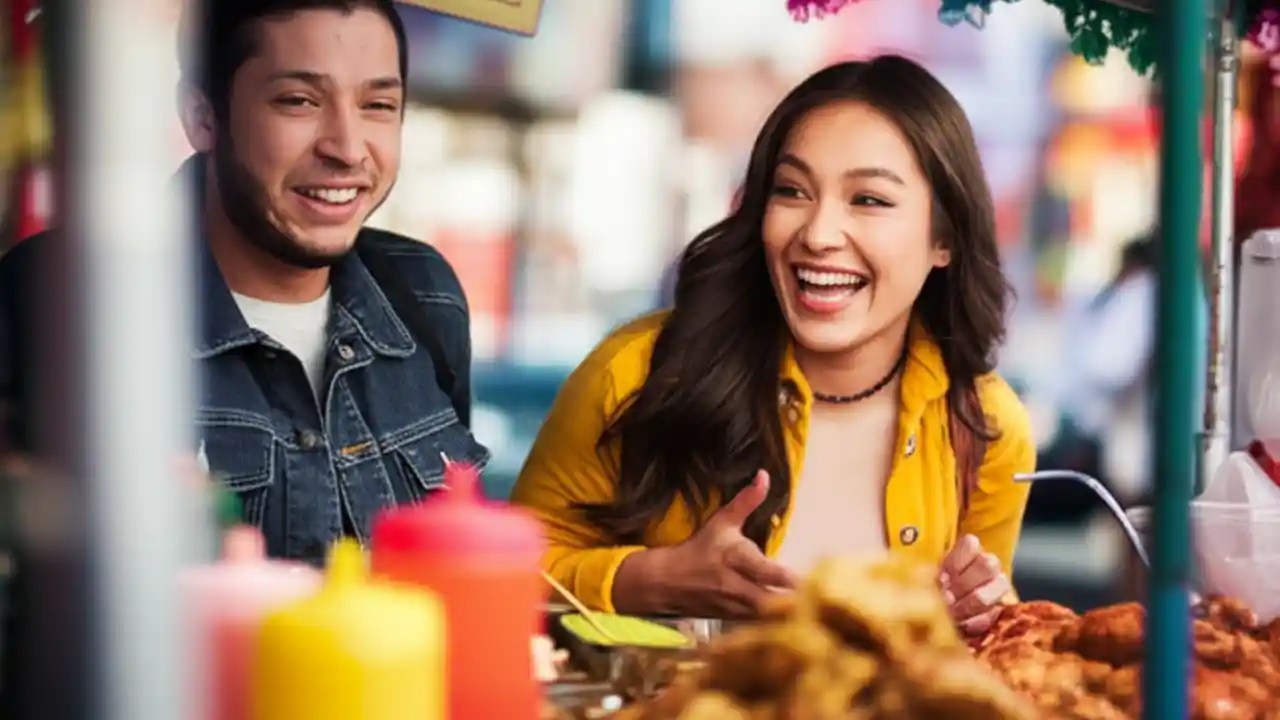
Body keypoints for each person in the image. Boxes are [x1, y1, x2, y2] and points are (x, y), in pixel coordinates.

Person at [512, 56, 1035, 636]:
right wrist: (652, 578)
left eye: (868, 200)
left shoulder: (985, 429)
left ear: (945, 239)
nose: (817, 234)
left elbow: (980, 669)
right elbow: (502, 575)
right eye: (792, 191)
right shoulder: (637, 372)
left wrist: (982, 622)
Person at [0, 0, 488, 564]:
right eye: (299, 101)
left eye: (378, 105)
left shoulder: (424, 293)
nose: (348, 148)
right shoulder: (61, 296)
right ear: (202, 116)